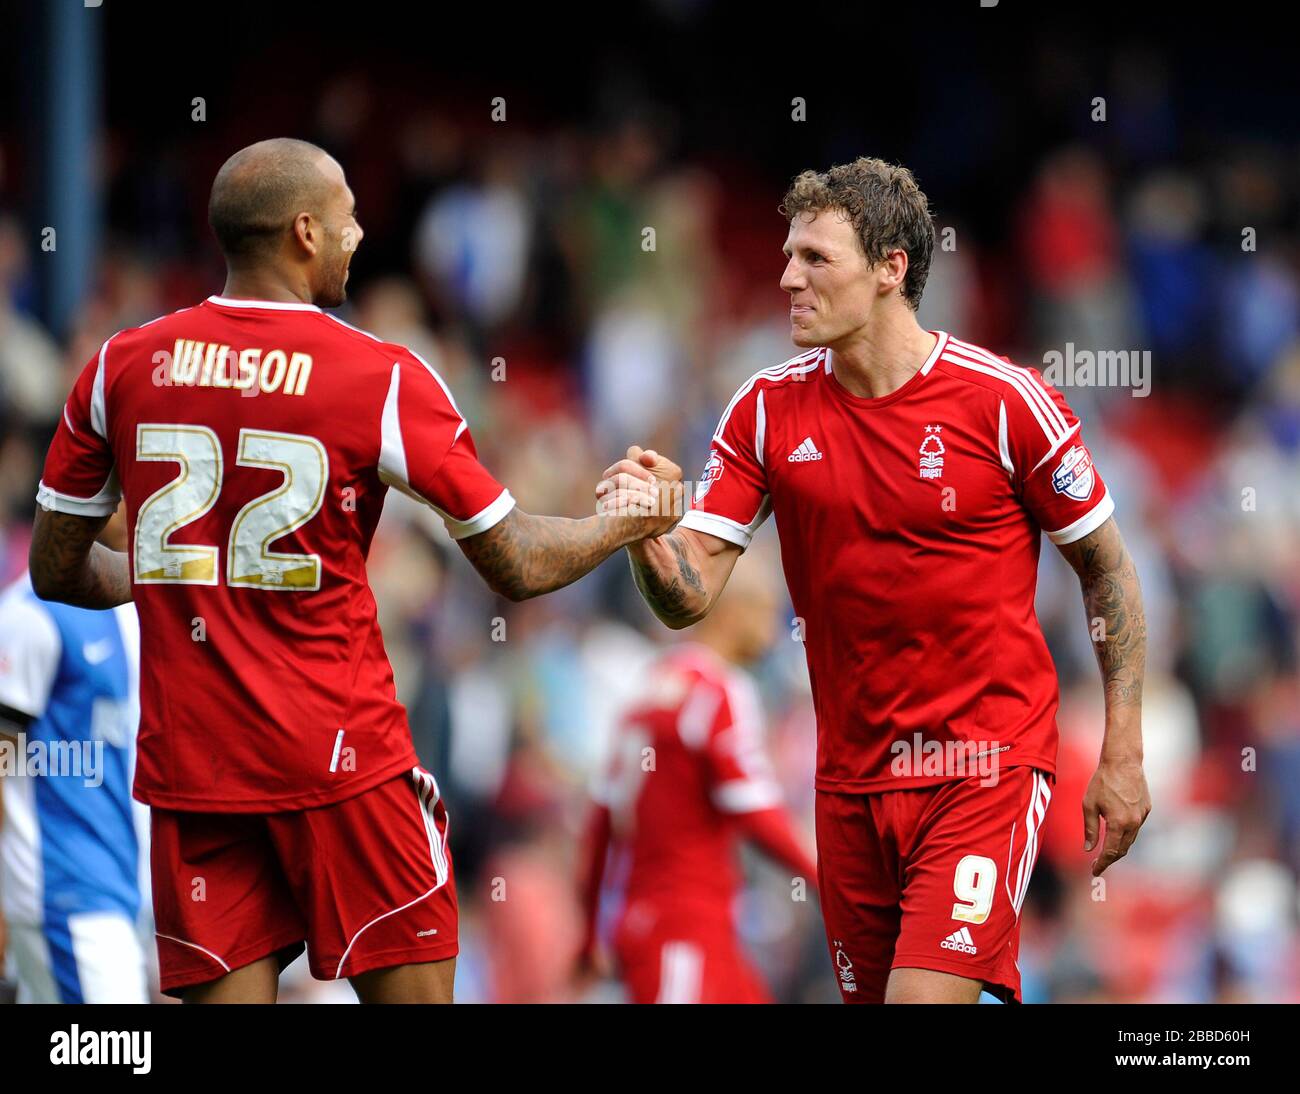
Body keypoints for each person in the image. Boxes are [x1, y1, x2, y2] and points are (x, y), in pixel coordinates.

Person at [28, 137, 680, 1004]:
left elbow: (55, 569)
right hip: (344, 771)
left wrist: (180, 582)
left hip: (195, 783)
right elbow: (515, 564)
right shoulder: (379, 376)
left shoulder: (122, 364)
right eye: (348, 216)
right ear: (304, 231)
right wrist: (624, 521)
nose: (361, 233)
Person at [603, 157, 1151, 1004]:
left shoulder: (1007, 404)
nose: (787, 276)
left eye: (816, 259)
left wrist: (1121, 745)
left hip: (984, 767)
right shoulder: (762, 411)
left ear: (891, 269)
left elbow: (1107, 570)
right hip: (851, 788)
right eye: (788, 255)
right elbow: (689, 599)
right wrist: (642, 533)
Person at [576, 554, 817, 1003]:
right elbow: (755, 810)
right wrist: (823, 878)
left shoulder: (649, 687)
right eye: (766, 610)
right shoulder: (720, 690)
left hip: (660, 922)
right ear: (735, 610)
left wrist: (590, 932)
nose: (772, 628)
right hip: (683, 926)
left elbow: (600, 824)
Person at [0, 508, 149, 1003]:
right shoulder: (30, 612)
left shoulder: (125, 609)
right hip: (64, 891)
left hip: (117, 885)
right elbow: (2, 760)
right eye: (121, 488)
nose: (136, 502)